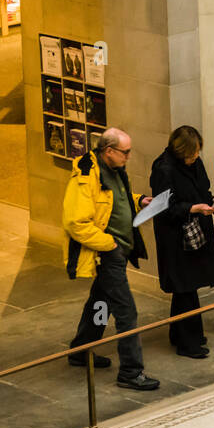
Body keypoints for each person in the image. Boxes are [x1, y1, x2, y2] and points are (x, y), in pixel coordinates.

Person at [63, 126, 160, 391]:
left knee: (100, 302)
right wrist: (110, 244)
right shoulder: (85, 177)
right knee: (126, 311)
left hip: (116, 251)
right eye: (125, 152)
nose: (128, 157)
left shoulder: (115, 171)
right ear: (108, 151)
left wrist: (139, 201)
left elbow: (116, 199)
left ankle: (81, 349)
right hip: (106, 254)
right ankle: (130, 371)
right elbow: (76, 222)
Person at [150, 125, 214, 359]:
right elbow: (164, 207)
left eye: (197, 152)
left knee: (186, 288)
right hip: (176, 237)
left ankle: (182, 334)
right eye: (192, 154)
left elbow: (203, 187)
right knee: (185, 287)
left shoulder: (194, 163)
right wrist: (193, 207)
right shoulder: (164, 169)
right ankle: (187, 342)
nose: (196, 157)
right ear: (181, 152)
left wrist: (212, 203)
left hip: (196, 229)